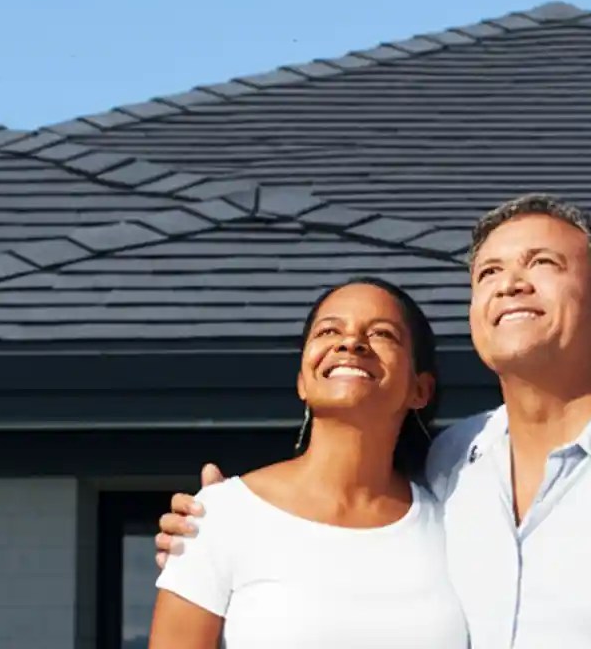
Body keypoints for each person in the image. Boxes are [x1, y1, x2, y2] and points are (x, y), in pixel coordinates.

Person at [155, 194, 591, 648]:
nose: (510, 284)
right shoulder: (453, 463)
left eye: (542, 265)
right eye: (489, 273)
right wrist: (217, 524)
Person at [148, 277, 469, 648]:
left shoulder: (454, 526)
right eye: (330, 330)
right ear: (302, 381)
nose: (350, 342)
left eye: (382, 334)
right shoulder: (220, 515)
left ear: (421, 390)